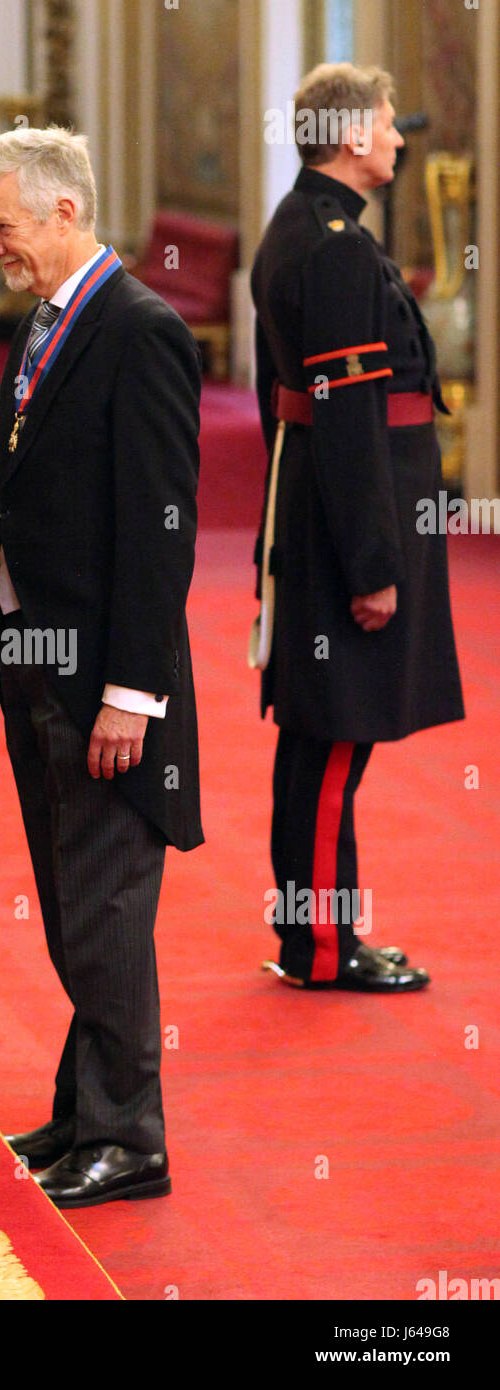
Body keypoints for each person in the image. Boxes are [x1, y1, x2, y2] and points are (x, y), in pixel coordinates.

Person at [0, 127, 202, 1208]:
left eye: (1, 226)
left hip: (104, 686)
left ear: (63, 213)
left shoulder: (140, 331)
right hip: (36, 664)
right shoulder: (47, 320)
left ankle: (131, 1142)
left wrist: (133, 694)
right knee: (74, 901)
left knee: (107, 912)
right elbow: (22, 480)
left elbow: (159, 532)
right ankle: (88, 1110)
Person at [250, 65, 464, 992]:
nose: (399, 138)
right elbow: (343, 417)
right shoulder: (334, 245)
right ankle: (324, 947)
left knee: (319, 737)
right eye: (386, 122)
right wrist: (373, 565)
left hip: (315, 505)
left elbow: (285, 404)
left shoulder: (304, 224)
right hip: (353, 522)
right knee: (336, 739)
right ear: (350, 137)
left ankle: (310, 936)